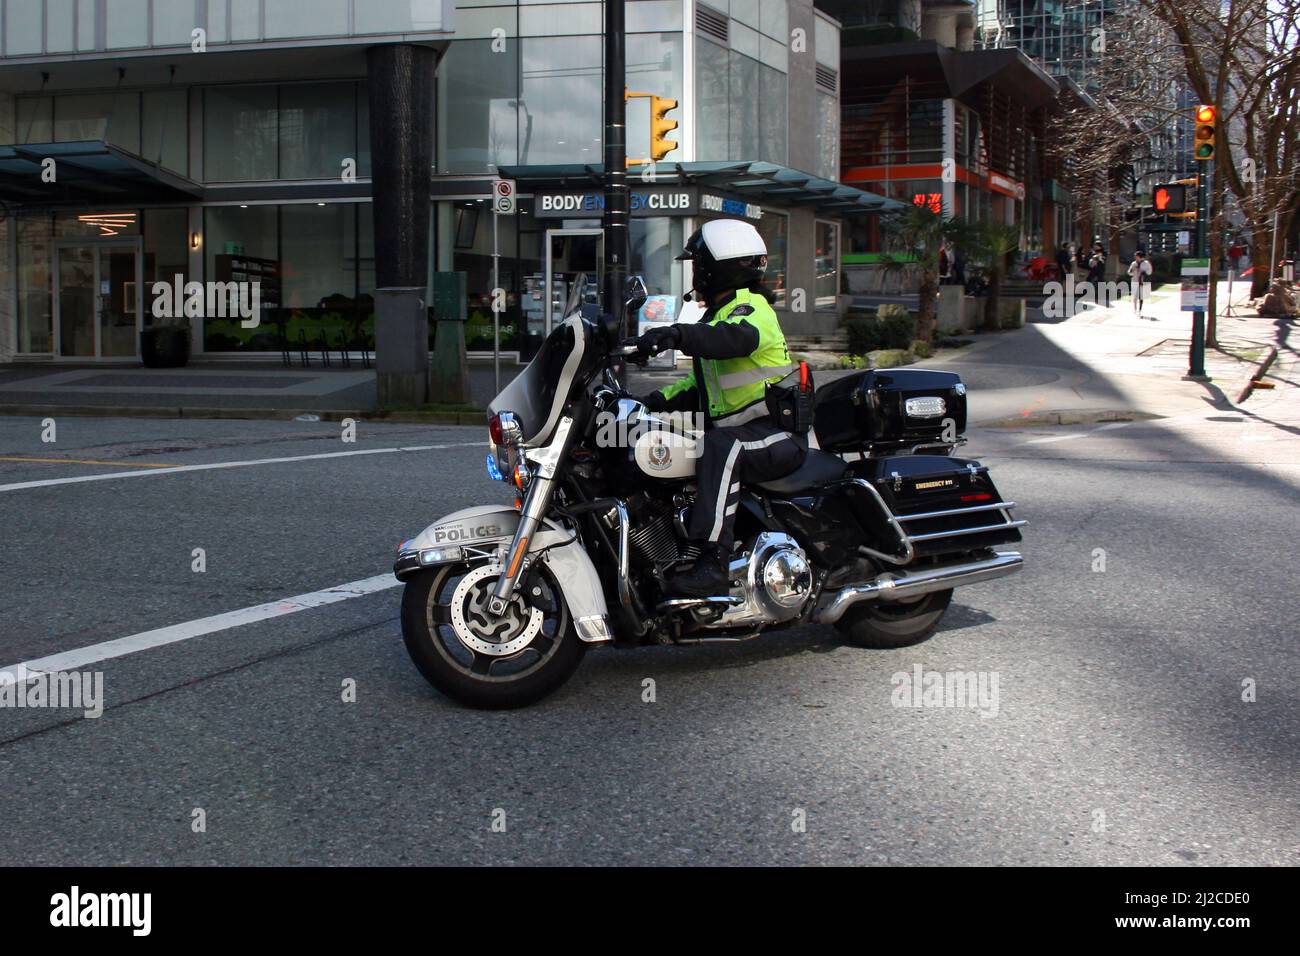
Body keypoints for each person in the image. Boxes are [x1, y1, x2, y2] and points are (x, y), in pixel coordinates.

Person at [635, 219, 806, 597]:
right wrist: (647, 404)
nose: (695, 272)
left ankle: (713, 561)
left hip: (776, 434)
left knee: (720, 446)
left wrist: (676, 334)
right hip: (750, 434)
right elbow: (698, 384)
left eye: (698, 263)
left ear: (720, 266)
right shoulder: (719, 314)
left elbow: (733, 340)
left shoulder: (752, 309)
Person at [1127, 249, 1153, 313]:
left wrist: (1142, 272)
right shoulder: (1133, 263)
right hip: (1134, 281)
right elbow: (1129, 272)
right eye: (1135, 256)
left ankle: (1140, 309)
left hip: (1142, 281)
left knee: (1141, 296)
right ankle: (1135, 309)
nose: (1135, 257)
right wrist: (1132, 271)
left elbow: (1150, 272)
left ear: (1140, 256)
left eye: (1136, 256)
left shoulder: (1146, 263)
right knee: (1135, 296)